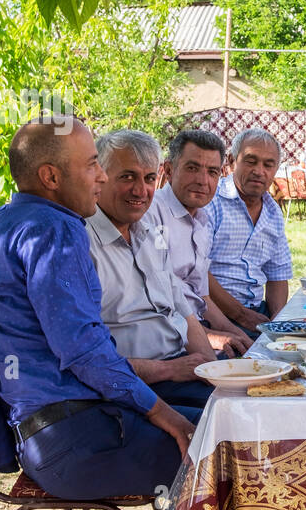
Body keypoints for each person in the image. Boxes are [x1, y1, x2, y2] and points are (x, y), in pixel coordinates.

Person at [0, 116, 240, 510]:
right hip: (69, 439)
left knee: (226, 428)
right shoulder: (57, 231)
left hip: (67, 423)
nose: (99, 178)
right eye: (93, 165)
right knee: (224, 465)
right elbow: (86, 353)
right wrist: (165, 414)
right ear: (49, 176)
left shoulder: (12, 219)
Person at [86, 130, 218, 410]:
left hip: (181, 370)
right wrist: (169, 370)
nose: (140, 190)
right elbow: (91, 361)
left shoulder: (149, 232)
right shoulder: (81, 244)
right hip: (134, 387)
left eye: (148, 179)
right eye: (127, 177)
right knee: (240, 427)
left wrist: (213, 372)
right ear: (100, 176)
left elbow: (184, 310)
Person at [148, 129, 251, 356]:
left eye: (212, 172)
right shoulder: (151, 214)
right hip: (168, 342)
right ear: (168, 170)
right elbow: (157, 302)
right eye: (192, 168)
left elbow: (201, 296)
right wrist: (210, 337)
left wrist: (234, 332)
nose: (203, 181)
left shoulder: (202, 220)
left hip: (198, 327)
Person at [206, 129, 292, 335]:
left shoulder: (272, 212)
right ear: (231, 161)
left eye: (268, 165)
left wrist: (276, 327)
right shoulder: (211, 202)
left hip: (256, 312)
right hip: (214, 314)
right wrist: (241, 316)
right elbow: (196, 272)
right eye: (251, 161)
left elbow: (278, 274)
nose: (259, 171)